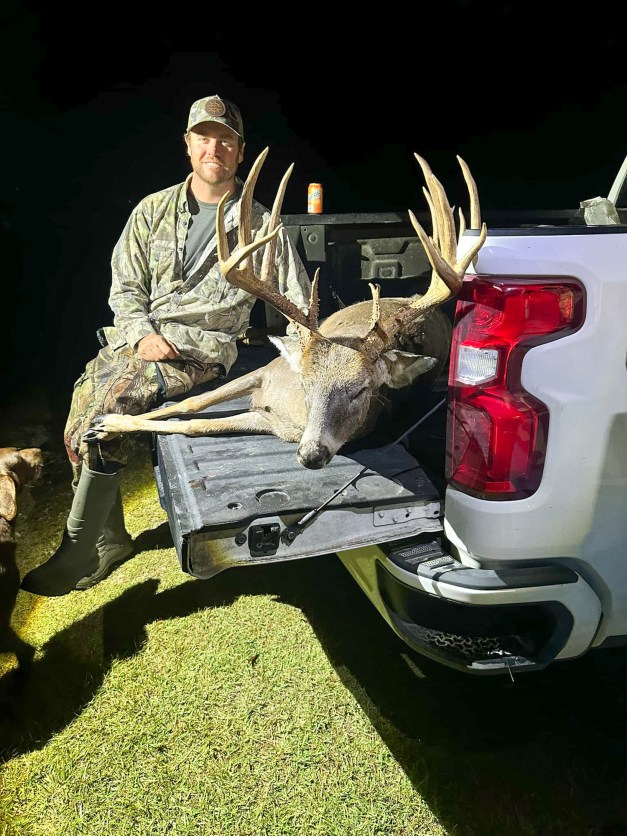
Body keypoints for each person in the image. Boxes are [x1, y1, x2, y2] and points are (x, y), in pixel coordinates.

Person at [21, 94, 312, 597]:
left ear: (240, 152)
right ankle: (111, 540)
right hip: (135, 341)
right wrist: (140, 332)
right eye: (204, 138)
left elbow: (298, 305)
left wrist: (309, 356)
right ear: (188, 145)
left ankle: (78, 548)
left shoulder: (263, 227)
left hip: (198, 353)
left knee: (110, 410)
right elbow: (125, 287)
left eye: (226, 141)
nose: (214, 149)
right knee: (78, 421)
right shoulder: (152, 210)